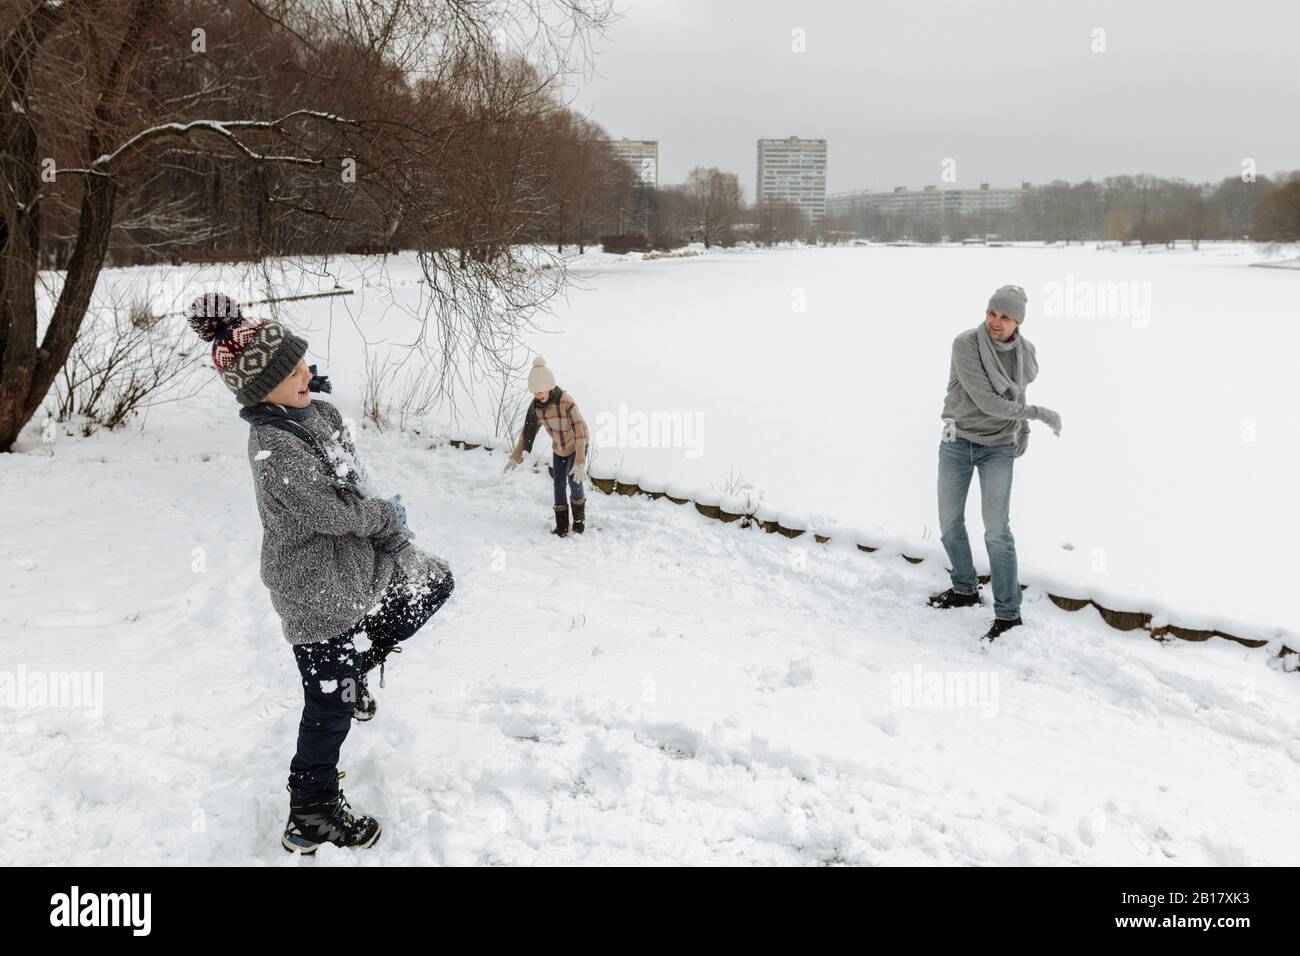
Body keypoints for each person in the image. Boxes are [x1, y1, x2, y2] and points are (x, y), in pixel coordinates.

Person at [187, 291, 454, 853]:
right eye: (290, 370)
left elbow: (351, 483)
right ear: (261, 389)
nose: (306, 372)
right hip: (315, 592)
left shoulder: (321, 414)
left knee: (434, 580)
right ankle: (310, 811)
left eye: (302, 360)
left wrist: (385, 525)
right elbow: (327, 509)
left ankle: (357, 665)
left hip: (353, 568)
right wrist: (384, 519)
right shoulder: (272, 446)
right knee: (327, 710)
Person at [927, 285, 1062, 642]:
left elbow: (1017, 393)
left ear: (1018, 322)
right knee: (949, 522)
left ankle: (1008, 613)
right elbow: (986, 400)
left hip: (998, 446)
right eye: (992, 313)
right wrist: (1037, 416)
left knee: (996, 531)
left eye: (1005, 316)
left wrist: (1023, 431)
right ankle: (965, 589)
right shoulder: (966, 345)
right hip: (957, 441)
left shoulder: (1024, 354)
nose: (995, 322)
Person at [503, 357, 590, 537]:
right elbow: (527, 434)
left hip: (577, 444)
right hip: (559, 446)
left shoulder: (566, 401)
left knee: (574, 481)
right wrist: (515, 456)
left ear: (550, 386)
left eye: (541, 391)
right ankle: (561, 526)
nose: (539, 395)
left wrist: (580, 461)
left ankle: (579, 523)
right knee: (558, 483)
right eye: (535, 392)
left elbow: (579, 431)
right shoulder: (536, 407)